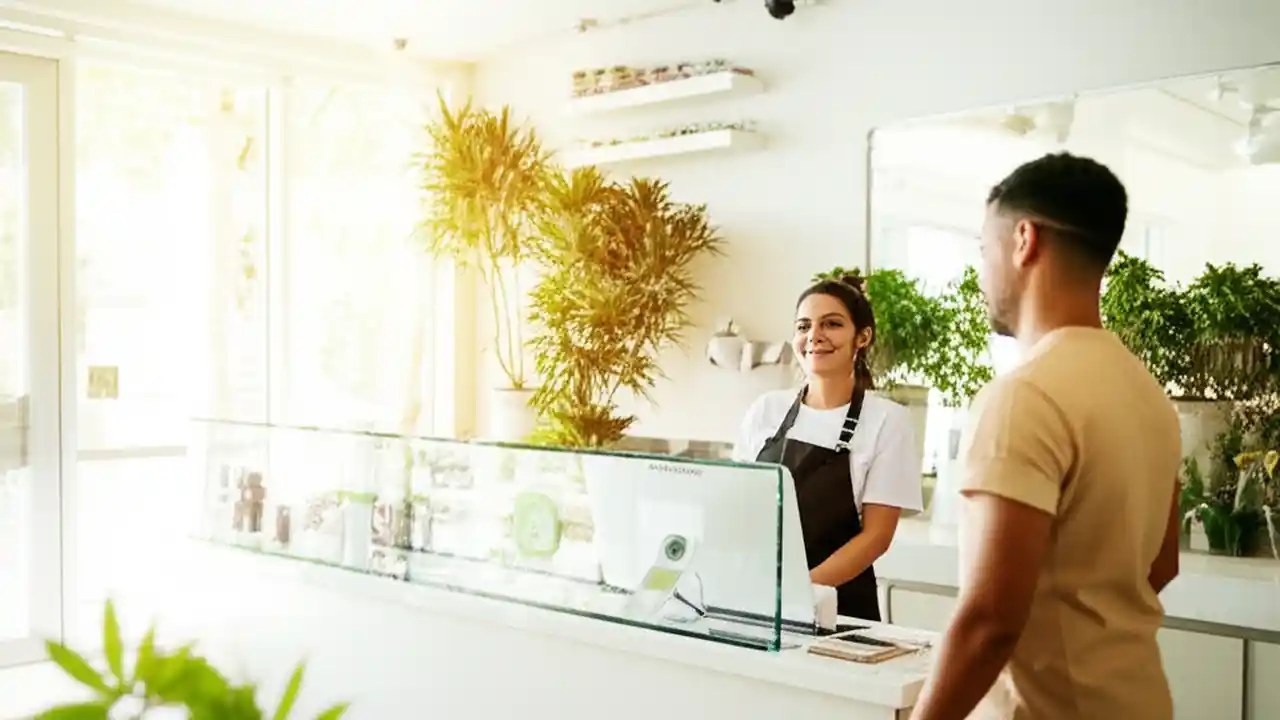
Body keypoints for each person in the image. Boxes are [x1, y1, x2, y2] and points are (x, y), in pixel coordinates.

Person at [909, 153, 1183, 720]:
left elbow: (989, 621)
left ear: (1024, 239)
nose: (983, 272)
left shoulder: (1025, 396)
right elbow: (1161, 566)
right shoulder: (1147, 393)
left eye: (985, 249)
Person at [732, 274, 922, 620]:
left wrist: (799, 594)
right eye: (804, 326)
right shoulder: (766, 410)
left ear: (862, 337)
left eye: (831, 324)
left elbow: (876, 536)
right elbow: (738, 508)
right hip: (758, 601)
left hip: (840, 611)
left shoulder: (887, 421)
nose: (814, 336)